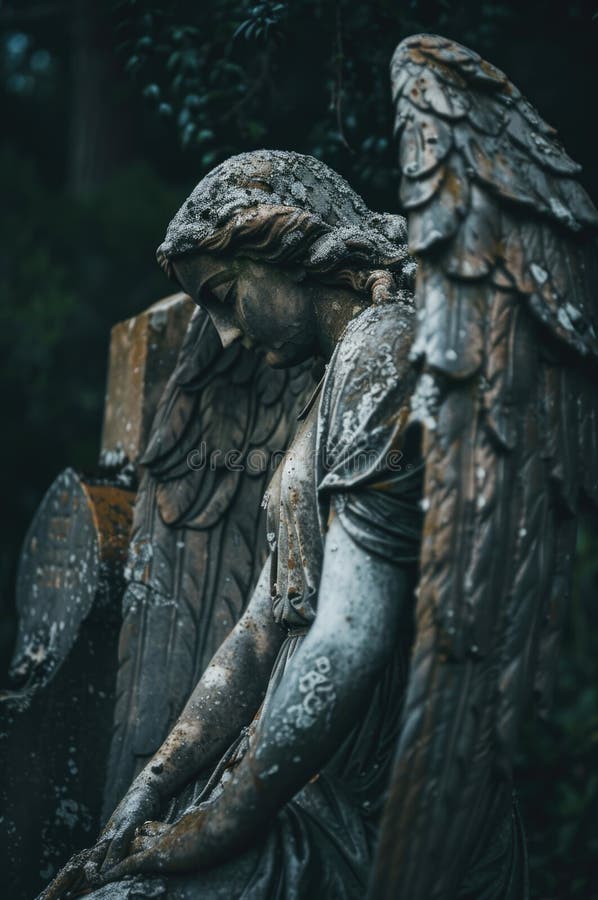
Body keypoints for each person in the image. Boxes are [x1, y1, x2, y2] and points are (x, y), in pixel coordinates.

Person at [41, 150, 525, 899]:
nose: (226, 336)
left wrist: (216, 825)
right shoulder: (336, 381)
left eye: (226, 295)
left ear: (281, 246)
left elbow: (348, 641)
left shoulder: (385, 353)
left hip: (382, 820)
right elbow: (263, 627)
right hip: (309, 789)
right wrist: (147, 795)